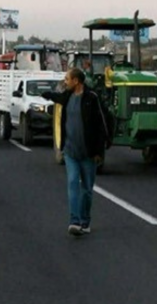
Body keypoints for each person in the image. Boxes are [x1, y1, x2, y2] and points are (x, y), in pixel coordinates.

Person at [43, 68, 111, 236]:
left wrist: (100, 151)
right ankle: (74, 221)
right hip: (70, 151)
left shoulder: (92, 98)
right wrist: (46, 94)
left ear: (76, 81)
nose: (65, 82)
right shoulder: (67, 96)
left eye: (67, 79)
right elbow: (57, 98)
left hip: (88, 153)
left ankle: (85, 221)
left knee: (87, 189)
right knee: (73, 183)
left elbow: (103, 123)